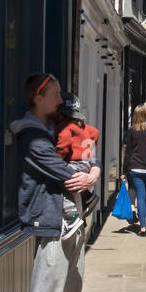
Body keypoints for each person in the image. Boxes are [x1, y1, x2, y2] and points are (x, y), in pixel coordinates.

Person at [10, 72, 100, 292]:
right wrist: (89, 173)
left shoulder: (55, 126)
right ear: (38, 97)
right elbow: (66, 172)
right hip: (50, 221)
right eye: (55, 93)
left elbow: (88, 156)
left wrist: (93, 170)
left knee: (68, 290)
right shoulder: (31, 134)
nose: (61, 98)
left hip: (73, 220)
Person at [55, 93, 100, 234]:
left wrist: (55, 159)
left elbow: (62, 149)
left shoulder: (65, 128)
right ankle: (87, 196)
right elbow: (94, 141)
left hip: (73, 163)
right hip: (86, 164)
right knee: (76, 187)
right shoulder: (89, 130)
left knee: (66, 185)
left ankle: (72, 218)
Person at [122, 103, 146, 238]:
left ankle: (142, 227)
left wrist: (124, 170)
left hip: (134, 167)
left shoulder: (132, 130)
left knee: (140, 197)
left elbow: (128, 152)